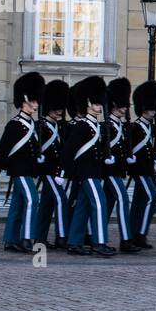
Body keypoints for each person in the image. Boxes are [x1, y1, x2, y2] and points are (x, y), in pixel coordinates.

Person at [62, 76, 116, 257]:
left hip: (94, 171)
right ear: (88, 103)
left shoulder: (96, 126)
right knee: (99, 203)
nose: (99, 106)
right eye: (96, 103)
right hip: (85, 172)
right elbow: (69, 151)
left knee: (83, 206)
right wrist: (62, 173)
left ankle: (74, 242)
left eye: (100, 103)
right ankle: (99, 242)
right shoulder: (82, 126)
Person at [0, 71, 46, 253]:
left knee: (17, 204)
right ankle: (26, 238)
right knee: (33, 199)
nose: (36, 104)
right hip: (19, 170)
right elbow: (3, 149)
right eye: (34, 100)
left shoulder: (32, 124)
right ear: (25, 99)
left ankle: (10, 239)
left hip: (27, 169)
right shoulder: (15, 124)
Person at [103, 77, 139, 254]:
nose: (125, 109)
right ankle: (126, 239)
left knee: (108, 205)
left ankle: (96, 235)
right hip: (109, 171)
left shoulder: (120, 125)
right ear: (114, 105)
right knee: (123, 199)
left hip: (118, 170)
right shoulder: (106, 126)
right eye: (122, 105)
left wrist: (127, 158)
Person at [35, 79, 70, 250]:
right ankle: (61, 236)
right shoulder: (40, 126)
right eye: (56, 108)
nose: (59, 112)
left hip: (56, 170)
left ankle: (39, 237)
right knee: (61, 199)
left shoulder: (59, 126)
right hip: (47, 170)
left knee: (46, 204)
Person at [128, 80, 156, 249]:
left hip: (147, 168)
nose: (153, 112)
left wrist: (154, 156)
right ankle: (140, 233)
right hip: (139, 169)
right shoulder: (135, 127)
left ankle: (134, 233)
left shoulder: (150, 127)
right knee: (151, 197)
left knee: (139, 201)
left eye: (154, 108)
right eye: (150, 108)